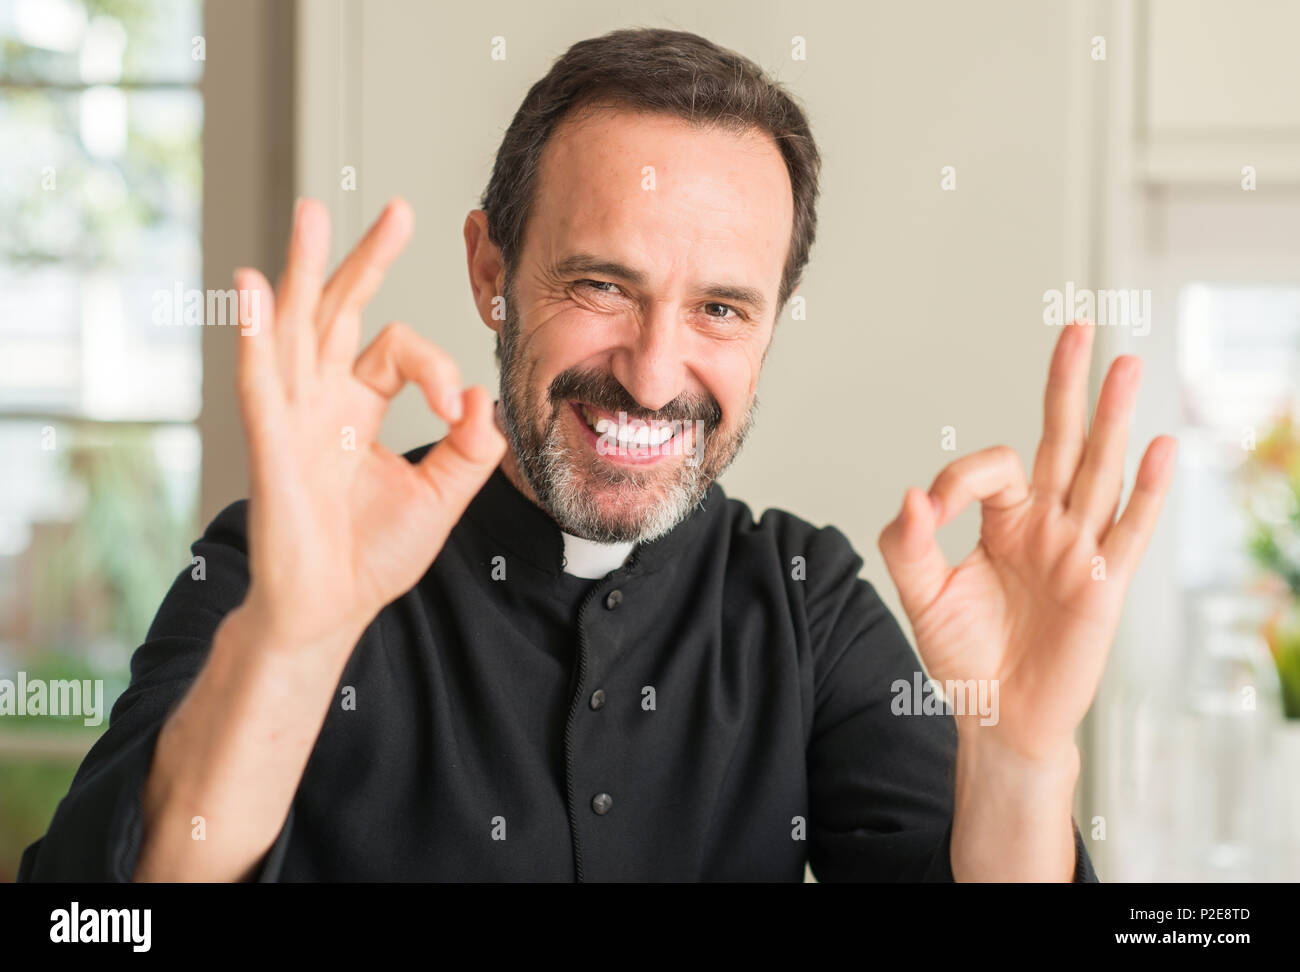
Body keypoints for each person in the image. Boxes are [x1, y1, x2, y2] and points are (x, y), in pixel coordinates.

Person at [20, 27, 1173, 882]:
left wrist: (1019, 760)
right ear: (491, 272)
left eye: (721, 308)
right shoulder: (287, 556)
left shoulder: (803, 604)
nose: (654, 371)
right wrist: (291, 644)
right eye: (600, 286)